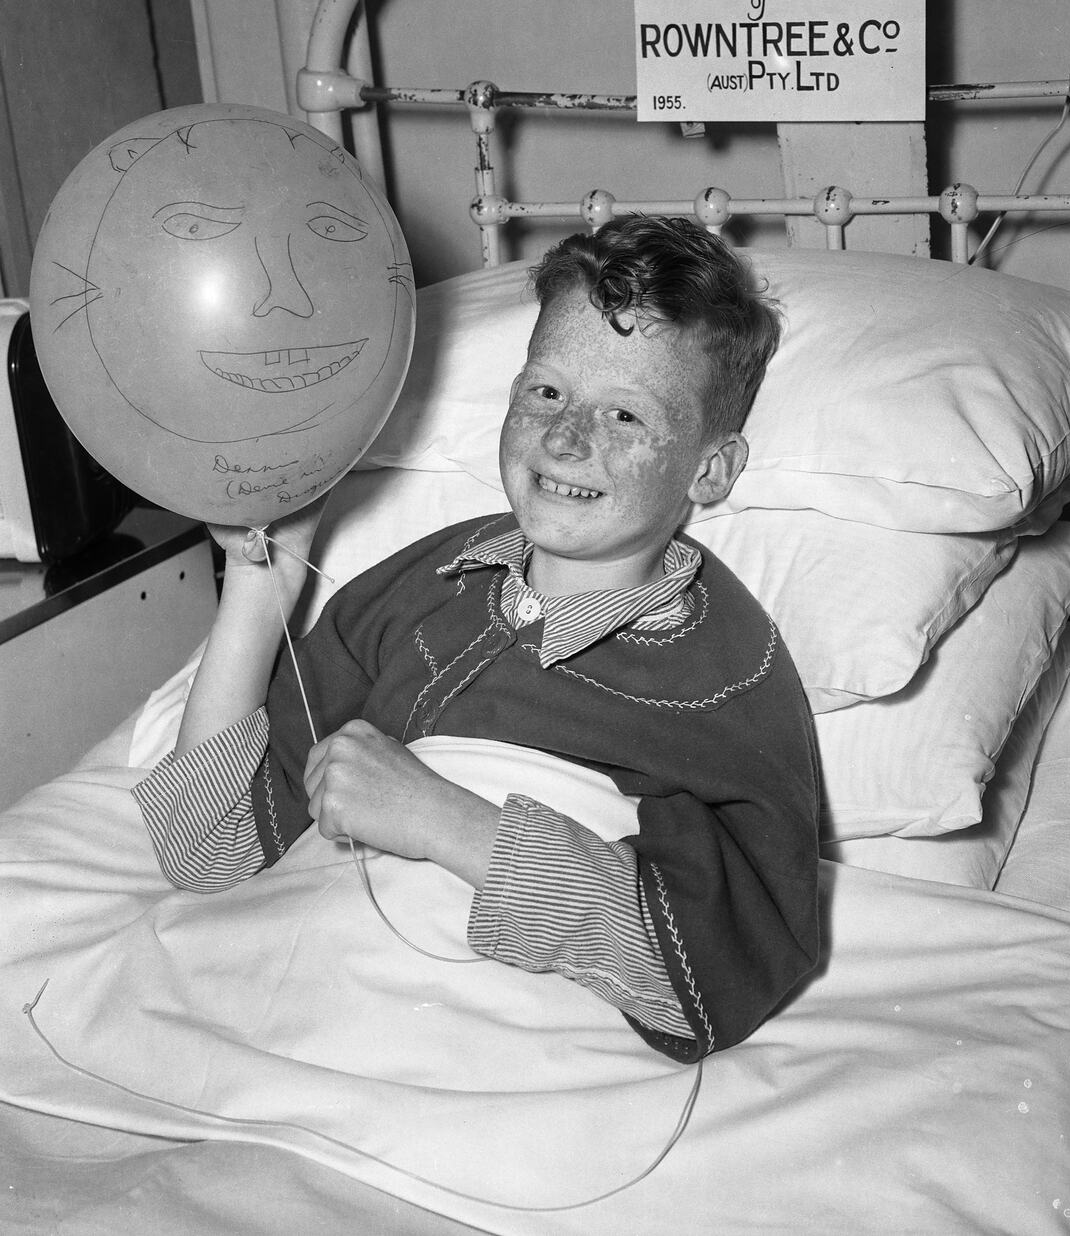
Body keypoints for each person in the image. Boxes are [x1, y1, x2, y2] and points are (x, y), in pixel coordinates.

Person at [134, 214, 820, 1063]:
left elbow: (713, 972)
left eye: (626, 416)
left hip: (500, 1059)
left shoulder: (722, 669)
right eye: (545, 392)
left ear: (711, 469)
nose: (566, 439)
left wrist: (441, 819)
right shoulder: (424, 585)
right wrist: (260, 580)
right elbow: (209, 845)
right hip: (312, 1015)